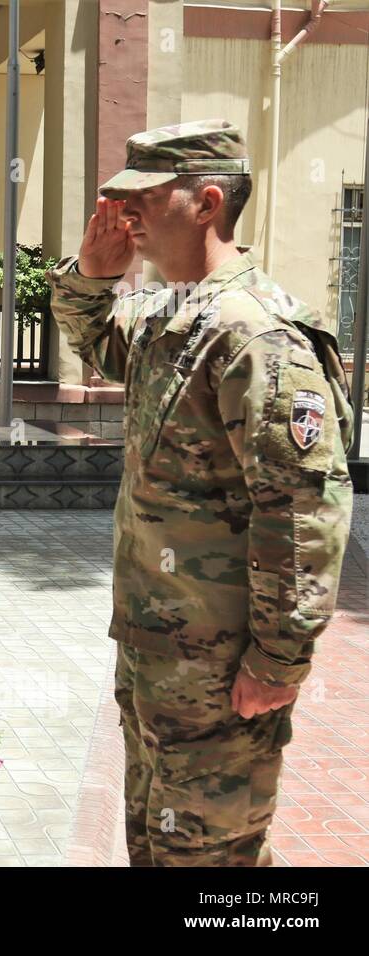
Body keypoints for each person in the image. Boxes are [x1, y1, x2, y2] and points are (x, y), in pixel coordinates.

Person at [47, 120, 354, 866]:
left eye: (146, 196)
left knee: (214, 860)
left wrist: (278, 659)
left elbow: (301, 509)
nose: (126, 213)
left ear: (208, 202)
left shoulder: (256, 335)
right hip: (155, 651)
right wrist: (92, 274)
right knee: (156, 845)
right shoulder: (172, 314)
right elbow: (94, 339)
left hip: (220, 666)